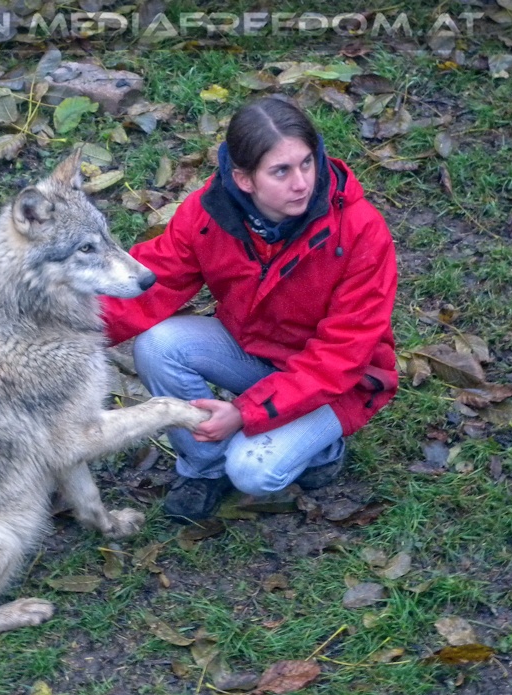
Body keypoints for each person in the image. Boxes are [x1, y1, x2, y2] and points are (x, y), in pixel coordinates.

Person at [102, 95, 398, 523]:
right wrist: (63, 334)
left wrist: (244, 412)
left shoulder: (360, 231)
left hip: (340, 383)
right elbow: (152, 283)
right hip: (256, 350)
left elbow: (342, 355)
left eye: (307, 163)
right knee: (157, 344)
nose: (302, 183)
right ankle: (205, 467)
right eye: (281, 171)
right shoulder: (208, 215)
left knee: (252, 470)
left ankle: (322, 449)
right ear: (244, 179)